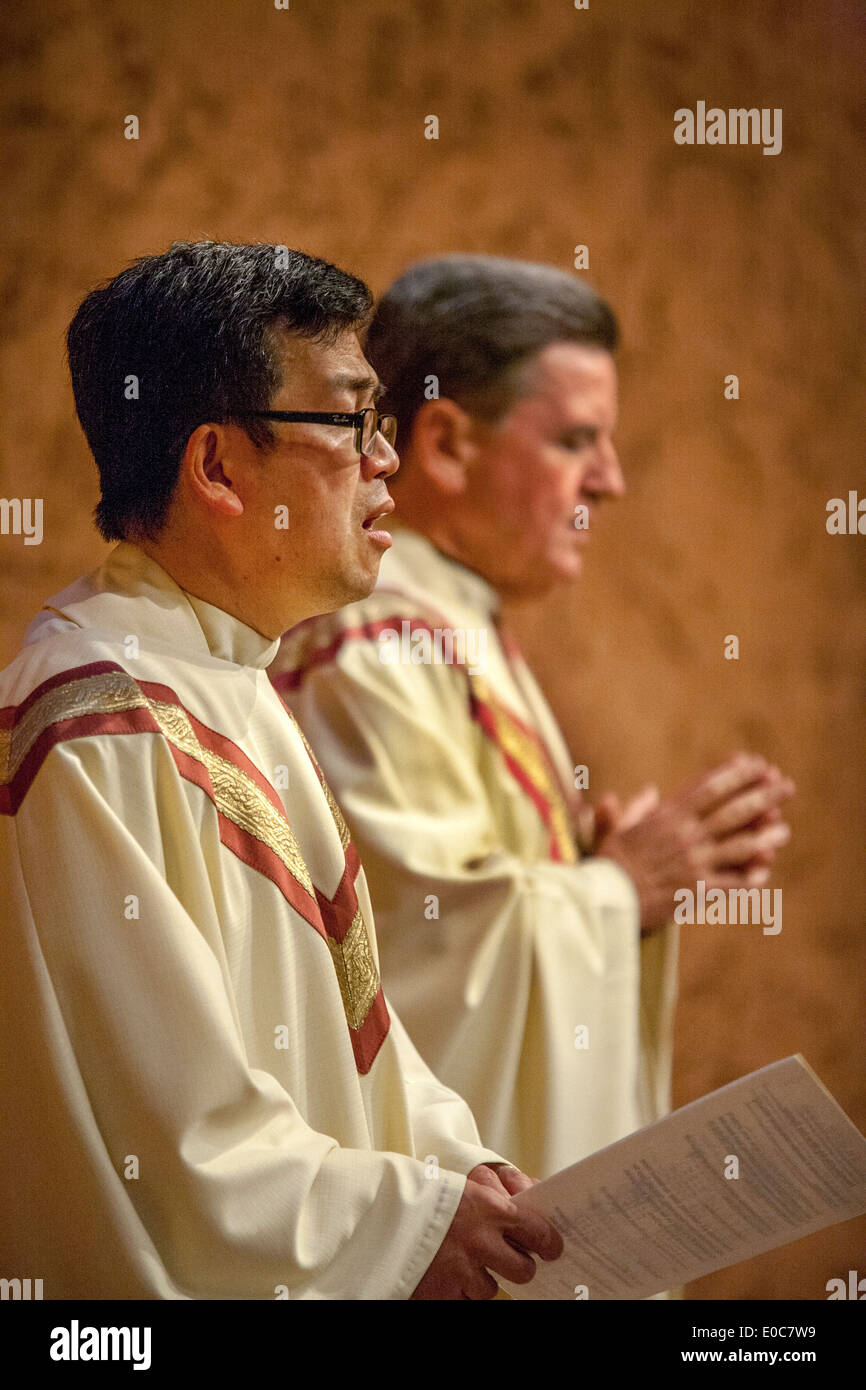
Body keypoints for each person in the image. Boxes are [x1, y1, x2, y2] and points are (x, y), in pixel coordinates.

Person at [0, 242, 562, 1301]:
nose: (384, 460)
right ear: (217, 466)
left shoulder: (229, 678)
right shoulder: (96, 723)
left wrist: (451, 1161)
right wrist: (407, 1221)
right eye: (353, 423)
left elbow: (347, 1037)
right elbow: (168, 1135)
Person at [271, 255, 795, 1180]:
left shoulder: (451, 626)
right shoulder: (375, 641)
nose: (611, 483)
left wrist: (595, 870)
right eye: (575, 442)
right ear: (446, 445)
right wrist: (620, 887)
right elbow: (412, 956)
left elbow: (476, 896)